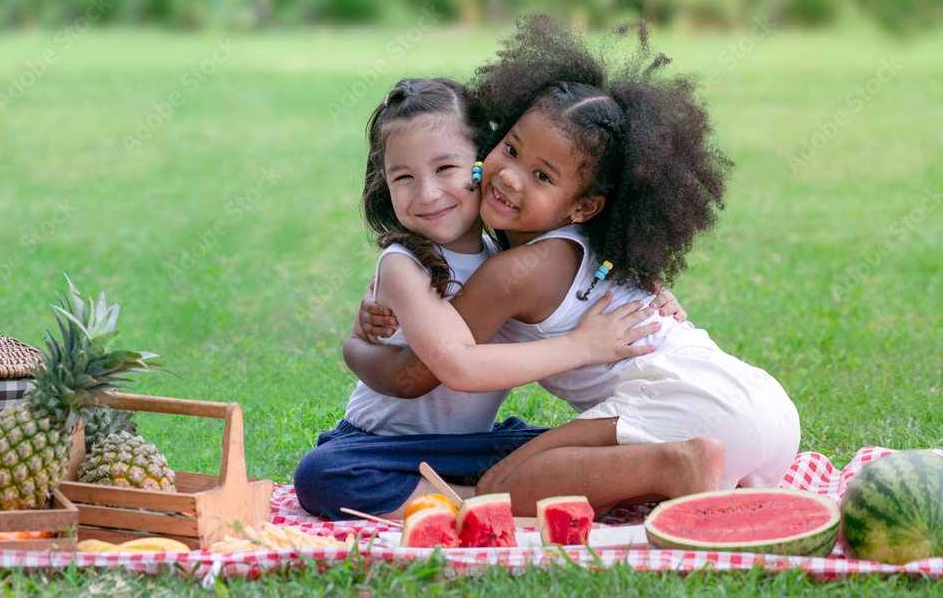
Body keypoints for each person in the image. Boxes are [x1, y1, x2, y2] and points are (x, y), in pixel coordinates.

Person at [351, 16, 800, 517]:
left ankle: (676, 466)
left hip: (692, 408)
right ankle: (687, 479)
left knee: (503, 488)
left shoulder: (515, 270)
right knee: (565, 467)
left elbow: (423, 371)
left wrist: (355, 348)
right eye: (512, 150)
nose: (511, 178)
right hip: (767, 410)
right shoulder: (599, 246)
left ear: (584, 205)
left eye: (541, 175)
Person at [294, 76, 686, 520]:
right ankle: (480, 503)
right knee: (322, 473)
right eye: (403, 177)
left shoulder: (510, 262)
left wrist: (655, 293)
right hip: (381, 448)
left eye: (446, 169)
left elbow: (587, 269)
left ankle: (638, 475)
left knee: (562, 446)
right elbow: (443, 370)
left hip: (467, 447)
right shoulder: (403, 264)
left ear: (483, 162)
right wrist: (581, 347)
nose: (427, 193)